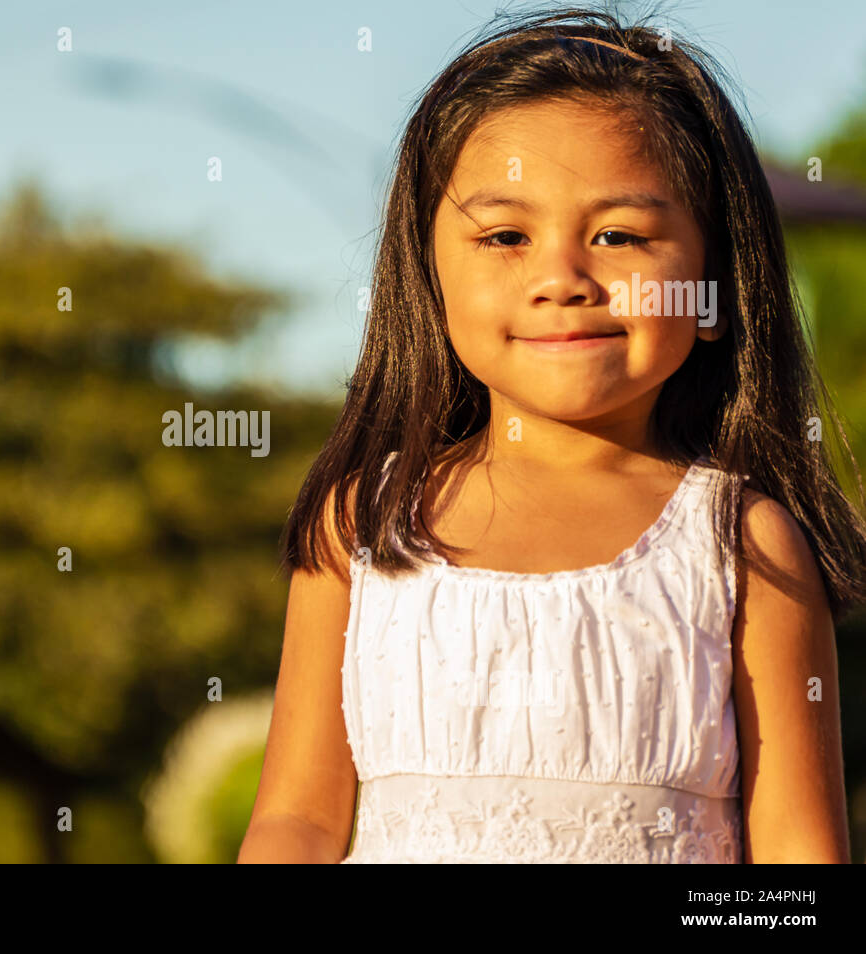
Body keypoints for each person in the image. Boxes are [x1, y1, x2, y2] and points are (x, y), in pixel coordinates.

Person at [240, 9, 865, 864]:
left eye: (619, 236)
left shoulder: (742, 547)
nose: (561, 279)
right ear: (427, 277)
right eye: (504, 236)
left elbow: (799, 852)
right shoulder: (363, 526)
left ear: (714, 288)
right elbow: (297, 822)